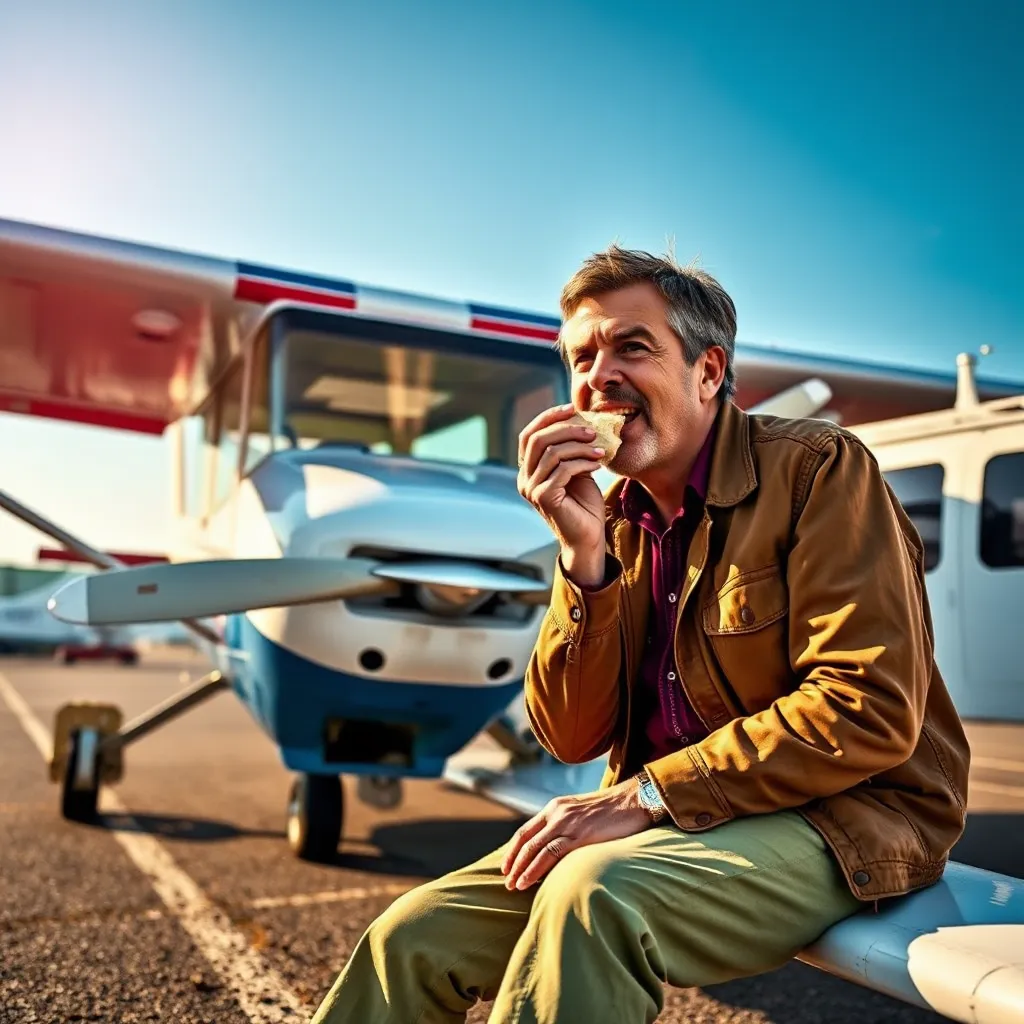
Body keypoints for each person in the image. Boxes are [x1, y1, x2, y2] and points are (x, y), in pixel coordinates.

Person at [310, 246, 970, 1024]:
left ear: (708, 372)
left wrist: (652, 793)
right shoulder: (612, 520)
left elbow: (866, 707)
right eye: (582, 357)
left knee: (596, 901)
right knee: (409, 935)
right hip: (681, 820)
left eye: (632, 346)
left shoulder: (818, 470)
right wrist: (582, 560)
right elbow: (570, 735)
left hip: (844, 819)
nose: (599, 377)